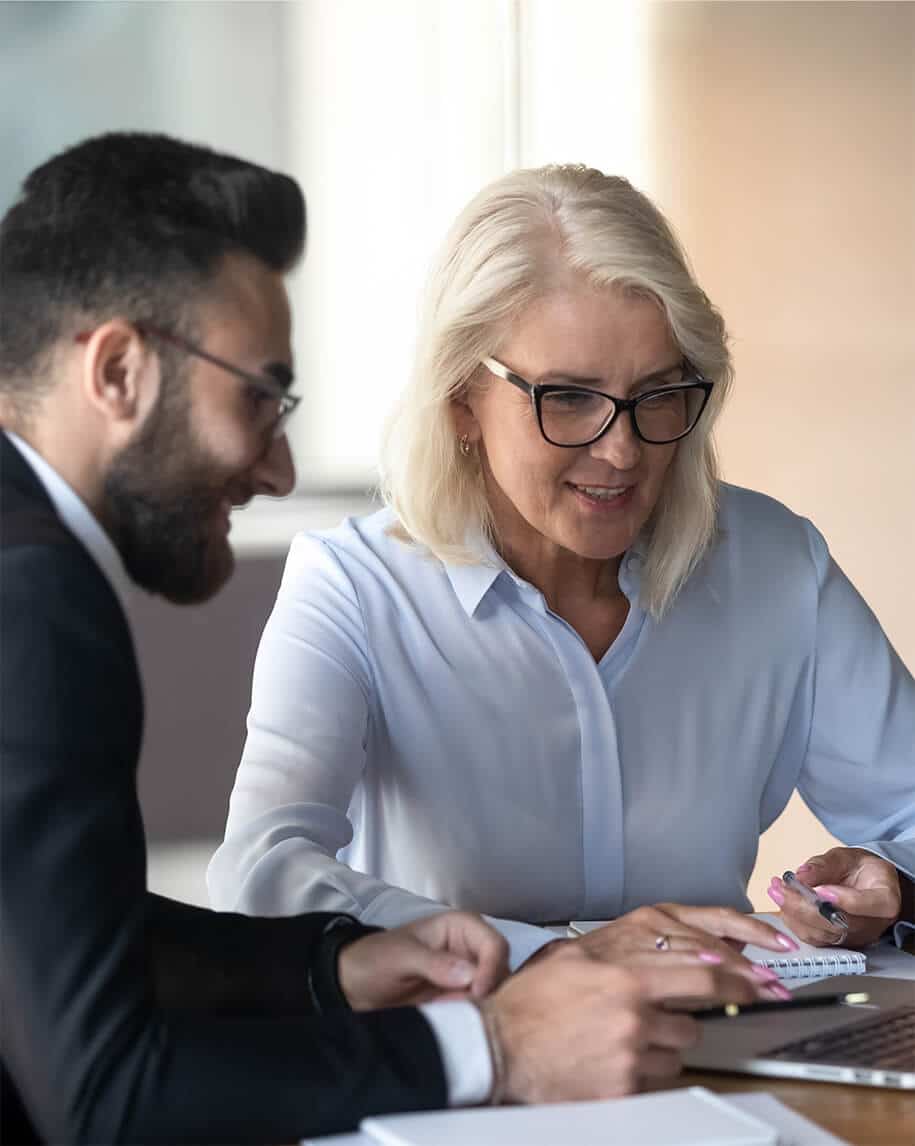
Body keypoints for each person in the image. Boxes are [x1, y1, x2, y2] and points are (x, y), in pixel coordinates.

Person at [0, 135, 766, 1146]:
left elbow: (50, 938)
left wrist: (325, 966)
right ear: (118, 371)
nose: (278, 469)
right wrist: (496, 1048)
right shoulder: (37, 603)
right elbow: (104, 1095)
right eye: (258, 398)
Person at [209, 163, 915, 971]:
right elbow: (262, 876)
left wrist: (889, 879)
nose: (620, 450)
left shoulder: (777, 565)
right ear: (460, 400)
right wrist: (545, 958)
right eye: (569, 399)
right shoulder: (354, 588)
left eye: (658, 393)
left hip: (728, 1046)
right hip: (472, 1061)